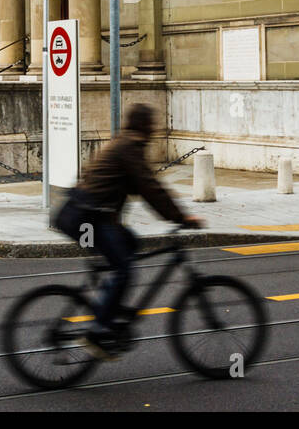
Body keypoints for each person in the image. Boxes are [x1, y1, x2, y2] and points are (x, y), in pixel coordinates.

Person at [54, 102, 204, 359]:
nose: (155, 130)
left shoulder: (123, 144)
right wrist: (181, 217)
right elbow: (150, 188)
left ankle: (110, 306)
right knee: (124, 269)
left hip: (87, 213)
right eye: (152, 125)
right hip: (87, 217)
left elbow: (141, 186)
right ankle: (98, 330)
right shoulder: (128, 148)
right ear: (145, 126)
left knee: (131, 243)